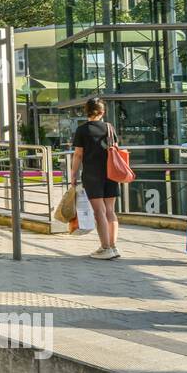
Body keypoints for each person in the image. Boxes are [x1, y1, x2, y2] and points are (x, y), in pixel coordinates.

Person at [70, 97, 121, 260]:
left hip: (92, 174)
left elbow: (78, 154)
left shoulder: (82, 130)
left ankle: (105, 247)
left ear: (86, 111)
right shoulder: (109, 127)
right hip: (111, 173)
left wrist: (73, 174)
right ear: (102, 112)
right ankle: (113, 246)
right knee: (110, 211)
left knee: (99, 211)